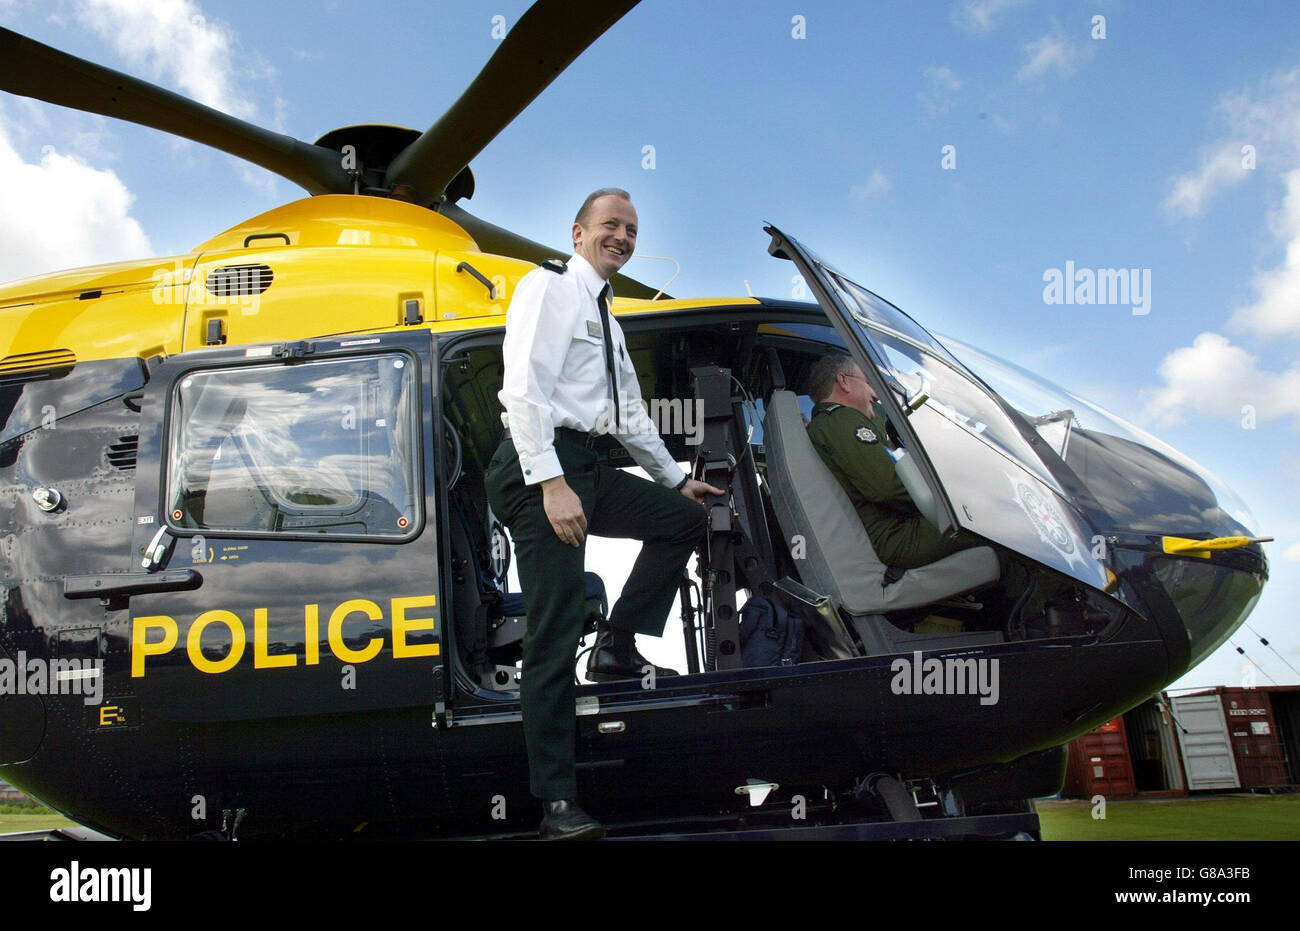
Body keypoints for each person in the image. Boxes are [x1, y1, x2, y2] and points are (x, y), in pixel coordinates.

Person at [485, 188, 722, 841]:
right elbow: (522, 388)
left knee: (684, 521)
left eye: (633, 229)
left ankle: (618, 645)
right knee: (554, 630)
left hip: (588, 464)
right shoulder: (549, 286)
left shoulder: (610, 319)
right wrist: (551, 482)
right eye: (611, 225)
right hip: (543, 466)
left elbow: (633, 420)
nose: (623, 236)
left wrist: (676, 480)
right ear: (578, 231)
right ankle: (557, 803)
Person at [805, 353, 976, 570]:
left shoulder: (831, 423)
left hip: (891, 531)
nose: (876, 395)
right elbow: (886, 487)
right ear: (844, 382)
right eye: (869, 382)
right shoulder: (840, 419)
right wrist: (949, 497)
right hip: (896, 536)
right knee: (995, 527)